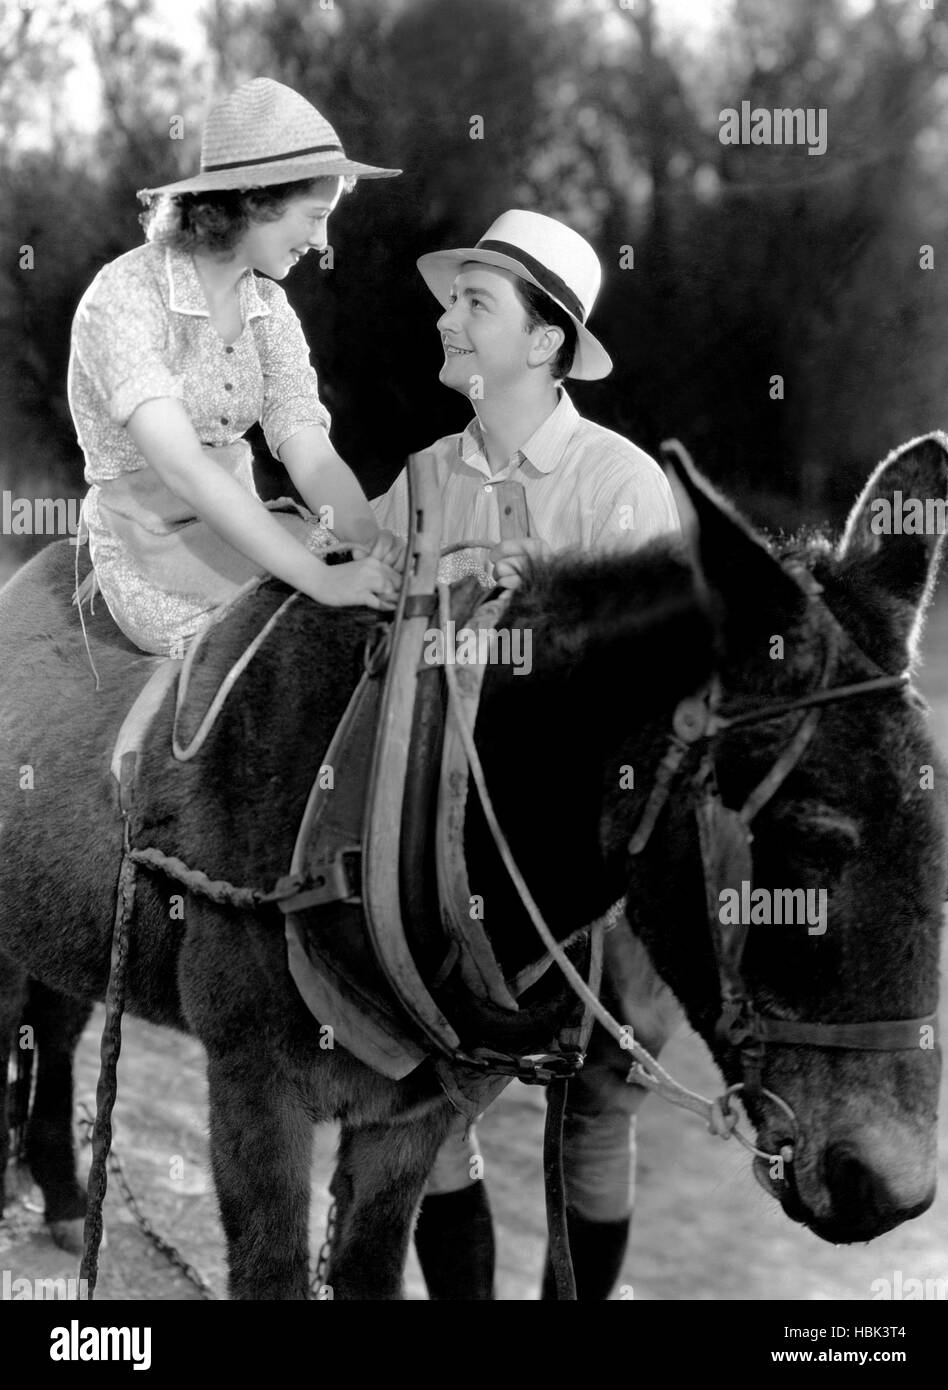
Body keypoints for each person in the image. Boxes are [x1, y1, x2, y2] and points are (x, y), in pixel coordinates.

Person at [373, 209, 683, 1300]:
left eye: (474, 301)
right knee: (419, 1094)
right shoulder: (417, 481)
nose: (447, 319)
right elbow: (327, 589)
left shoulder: (620, 486)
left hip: (593, 877)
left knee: (594, 1103)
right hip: (446, 877)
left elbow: (652, 710)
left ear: (544, 341)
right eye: (452, 298)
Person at [68, 77, 403, 657]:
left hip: (247, 526)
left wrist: (367, 541)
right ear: (254, 200)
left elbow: (309, 448)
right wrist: (323, 577)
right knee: (301, 629)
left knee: (389, 601)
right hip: (151, 548)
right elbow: (185, 470)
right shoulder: (122, 296)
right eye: (314, 214)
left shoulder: (269, 308)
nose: (323, 240)